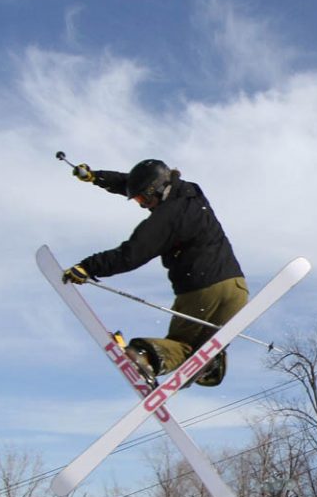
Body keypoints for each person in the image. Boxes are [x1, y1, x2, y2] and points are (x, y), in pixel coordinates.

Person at [62, 159, 248, 387]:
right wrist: (98, 177)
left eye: (145, 200)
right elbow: (133, 182)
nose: (145, 206)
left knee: (180, 345)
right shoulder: (192, 192)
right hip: (237, 289)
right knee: (195, 353)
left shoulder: (167, 217)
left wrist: (88, 267)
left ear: (157, 190)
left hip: (201, 291)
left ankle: (143, 355)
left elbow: (132, 254)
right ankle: (210, 363)